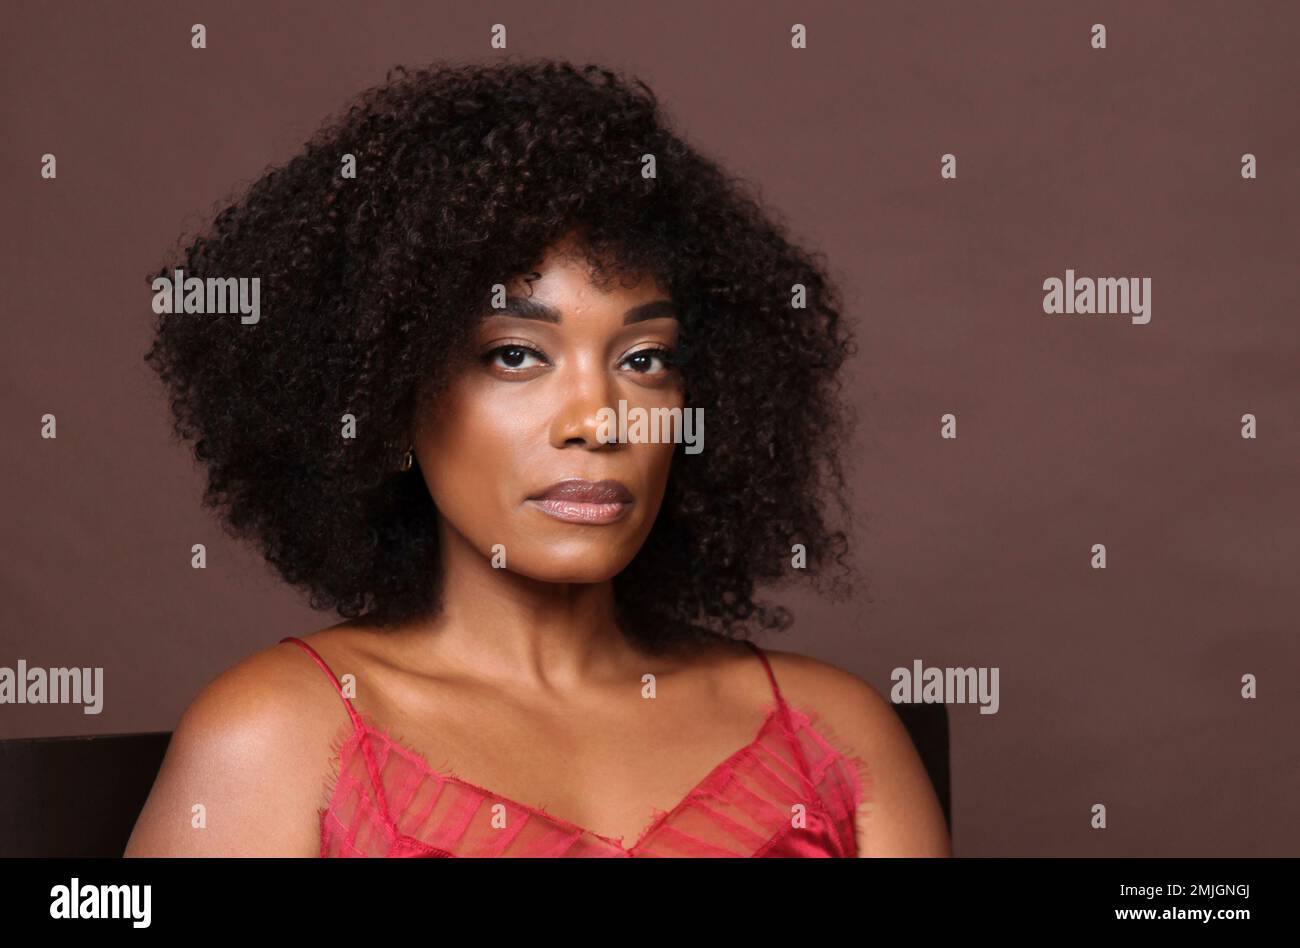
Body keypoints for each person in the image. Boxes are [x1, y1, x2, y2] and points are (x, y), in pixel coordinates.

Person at [124, 59, 950, 857]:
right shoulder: (280, 735)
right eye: (515, 356)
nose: (597, 420)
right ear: (387, 395)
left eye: (644, 359)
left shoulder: (835, 739)